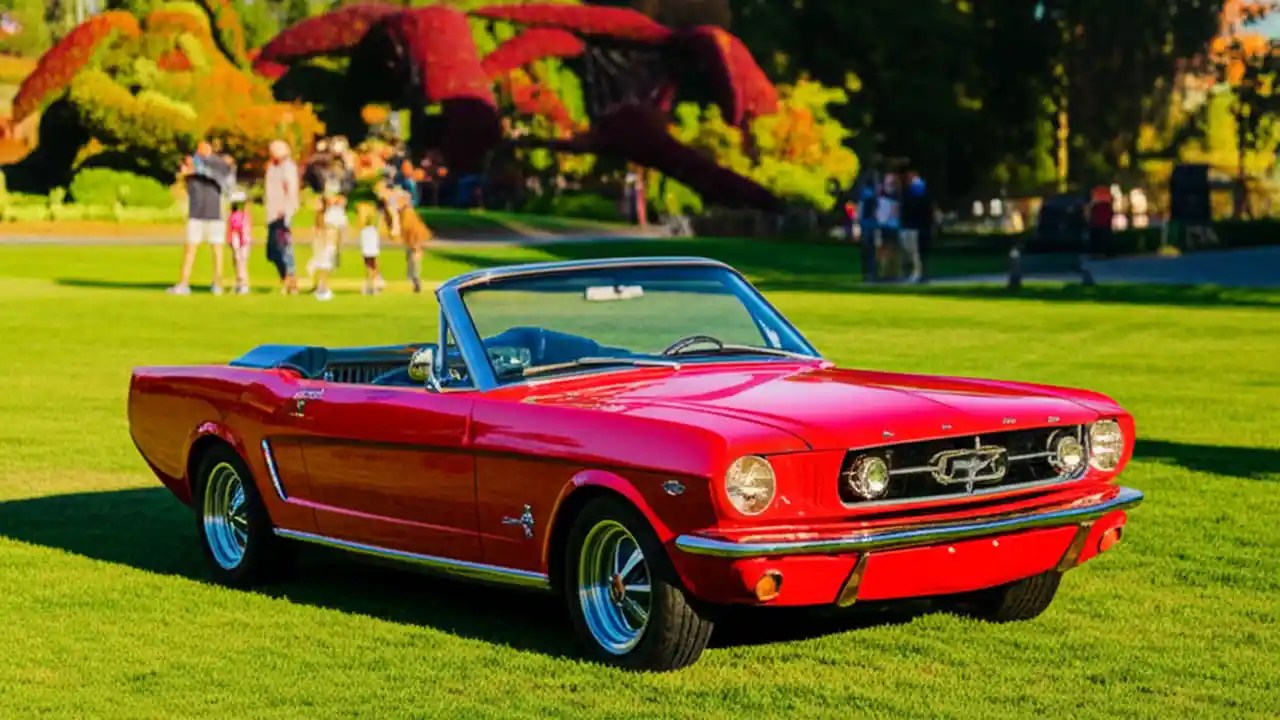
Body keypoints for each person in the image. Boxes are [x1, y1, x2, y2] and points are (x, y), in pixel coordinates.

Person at [168, 139, 233, 295]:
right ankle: (183, 283)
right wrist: (187, 171)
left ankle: (217, 283)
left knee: (217, 249)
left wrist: (195, 167)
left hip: (215, 213)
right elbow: (183, 176)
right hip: (196, 212)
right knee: (190, 248)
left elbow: (219, 175)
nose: (200, 150)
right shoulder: (191, 163)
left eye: (204, 146)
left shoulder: (218, 163)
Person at [264, 139, 301, 295]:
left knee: (284, 247)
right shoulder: (272, 168)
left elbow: (291, 189)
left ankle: (291, 281)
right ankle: (284, 277)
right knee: (272, 251)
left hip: (282, 214)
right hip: (272, 213)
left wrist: (286, 210)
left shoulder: (288, 167)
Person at [900, 173, 930, 283]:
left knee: (915, 252)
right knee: (912, 252)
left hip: (914, 226)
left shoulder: (916, 191)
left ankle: (918, 273)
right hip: (912, 225)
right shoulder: (913, 191)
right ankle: (916, 273)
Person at [357, 202, 386, 295]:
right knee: (374, 270)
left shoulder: (363, 231)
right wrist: (380, 214)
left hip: (366, 252)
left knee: (368, 270)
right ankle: (373, 288)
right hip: (373, 252)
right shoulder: (374, 230)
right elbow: (378, 222)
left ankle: (367, 287)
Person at [226, 190, 252, 295]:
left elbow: (241, 230)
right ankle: (240, 282)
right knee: (238, 261)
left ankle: (243, 283)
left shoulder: (242, 216)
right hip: (238, 241)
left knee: (241, 262)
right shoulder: (238, 215)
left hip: (242, 241)